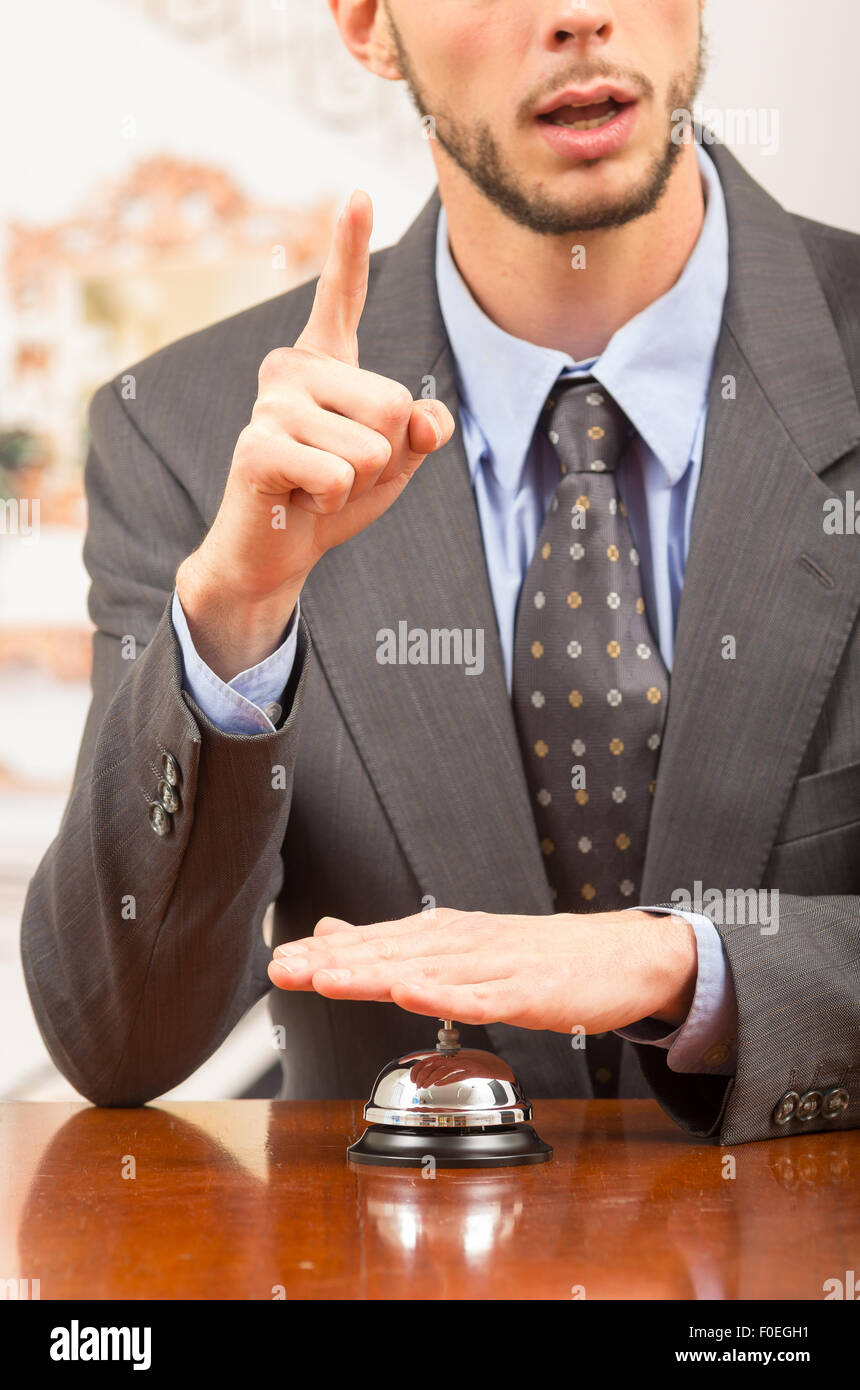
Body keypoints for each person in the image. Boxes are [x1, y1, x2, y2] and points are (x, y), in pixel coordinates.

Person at [21, 0, 859, 1143]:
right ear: (369, 25)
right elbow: (121, 1039)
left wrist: (695, 965)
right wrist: (236, 618)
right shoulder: (184, 433)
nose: (578, 15)